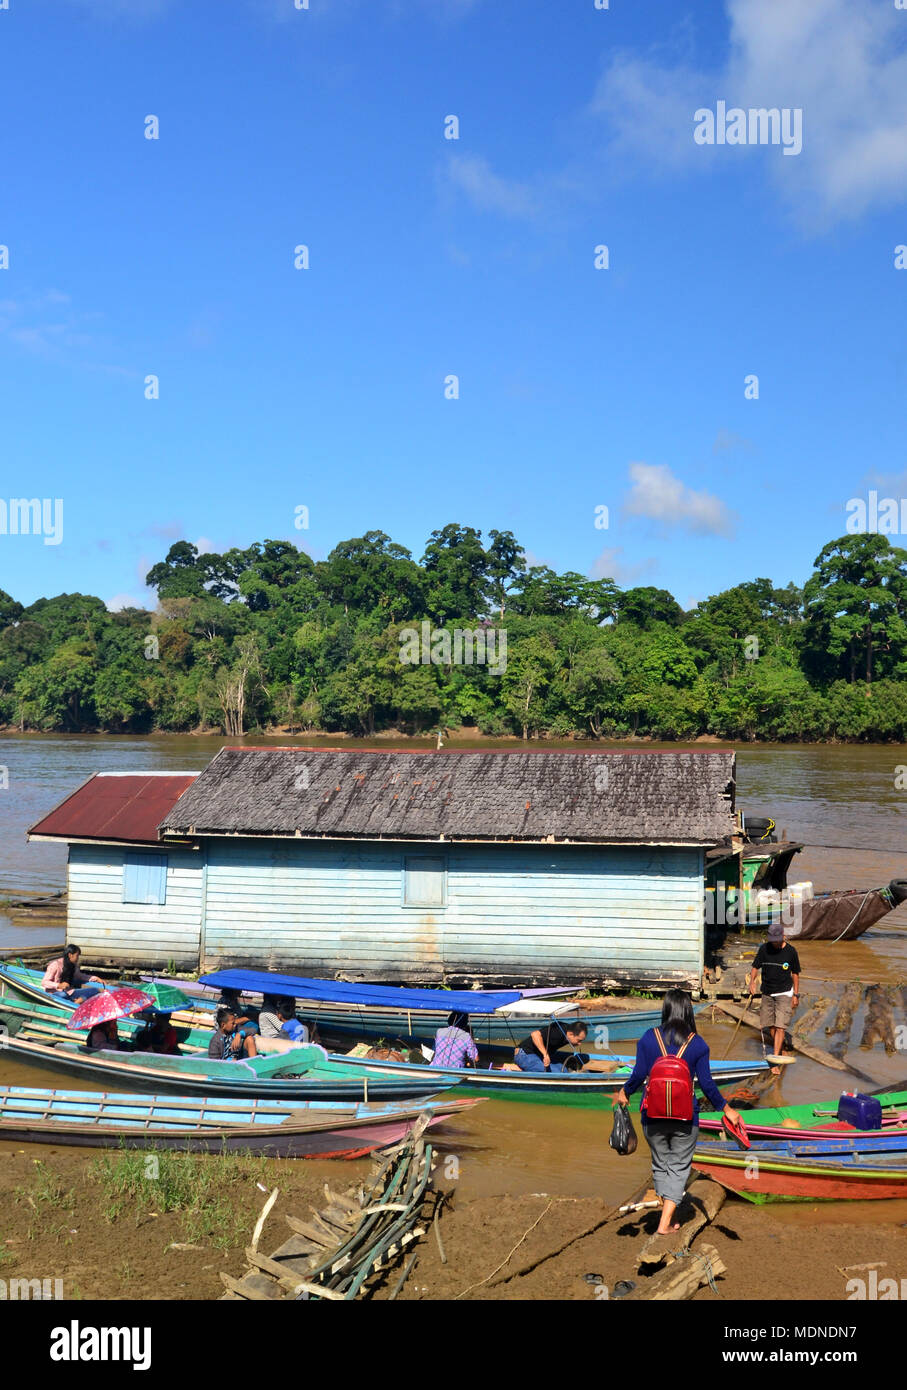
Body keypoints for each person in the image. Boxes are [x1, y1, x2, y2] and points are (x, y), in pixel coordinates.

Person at [613, 989, 741, 1235]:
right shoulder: (698, 1044)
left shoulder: (648, 1038)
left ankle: (667, 1214)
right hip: (685, 1117)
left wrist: (624, 1092)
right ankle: (664, 1225)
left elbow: (638, 1075)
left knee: (661, 1163)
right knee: (680, 1166)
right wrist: (727, 1109)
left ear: (666, 1009)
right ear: (688, 1011)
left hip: (652, 1115)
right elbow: (707, 1084)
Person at [748, 922, 801, 1073]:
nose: (775, 943)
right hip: (767, 992)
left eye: (777, 940)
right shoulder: (764, 949)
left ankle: (775, 1060)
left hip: (784, 993)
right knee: (770, 1025)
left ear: (783, 936)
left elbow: (796, 974)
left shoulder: (791, 952)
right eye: (773, 940)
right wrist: (752, 982)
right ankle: (781, 1048)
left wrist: (796, 995)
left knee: (780, 1026)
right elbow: (755, 967)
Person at [515, 1018, 589, 1073]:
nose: (579, 1044)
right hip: (524, 1054)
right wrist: (545, 1054)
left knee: (565, 1069)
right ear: (571, 1034)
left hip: (538, 1055)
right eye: (579, 1040)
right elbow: (535, 1034)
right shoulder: (557, 1032)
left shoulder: (569, 1031)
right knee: (557, 1072)